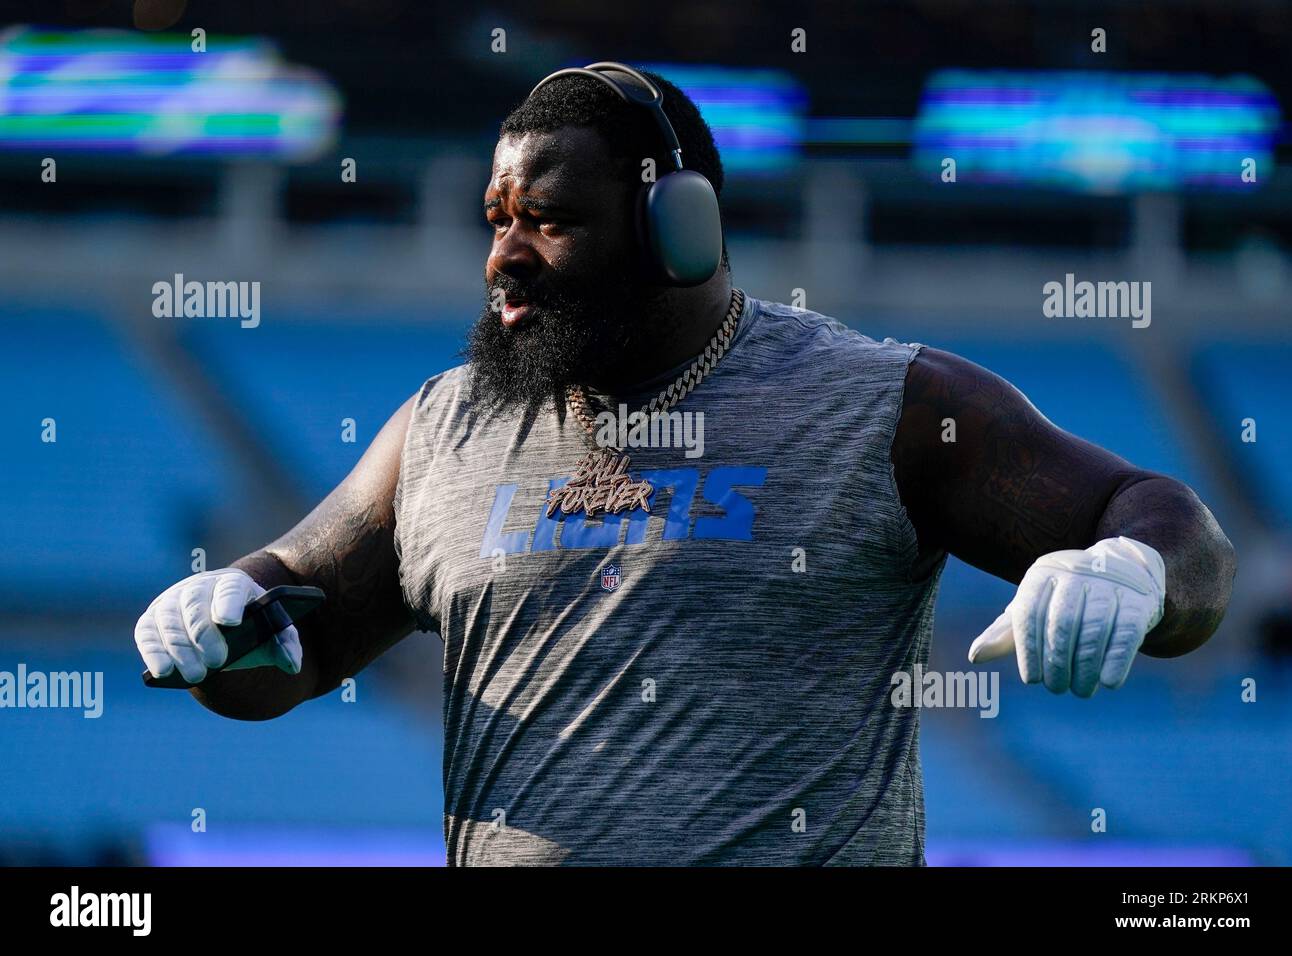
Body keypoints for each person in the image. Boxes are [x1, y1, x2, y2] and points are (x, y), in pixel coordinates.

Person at [135, 66, 1235, 865]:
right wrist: (215, 618)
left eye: (549, 221)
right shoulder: (440, 429)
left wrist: (1135, 572)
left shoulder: (888, 404)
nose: (502, 256)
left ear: (681, 228)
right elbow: (292, 644)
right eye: (497, 219)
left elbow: (1169, 525)